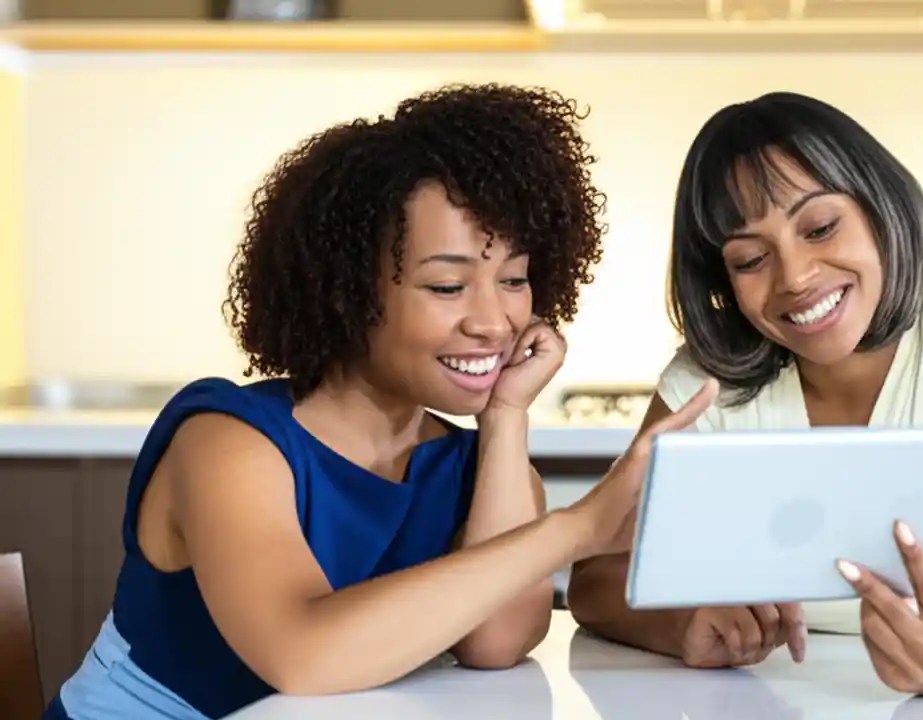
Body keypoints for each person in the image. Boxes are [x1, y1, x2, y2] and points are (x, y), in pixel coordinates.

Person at [43, 83, 718, 720]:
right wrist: (578, 528)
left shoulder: (469, 462)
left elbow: (498, 643)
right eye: (448, 287)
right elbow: (303, 656)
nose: (494, 321)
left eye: (513, 279)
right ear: (349, 295)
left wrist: (506, 418)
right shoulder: (231, 442)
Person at [567, 90, 923, 697]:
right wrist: (683, 625)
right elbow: (594, 580)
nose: (796, 277)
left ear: (880, 210)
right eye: (752, 258)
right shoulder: (710, 381)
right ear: (722, 282)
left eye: (821, 227)